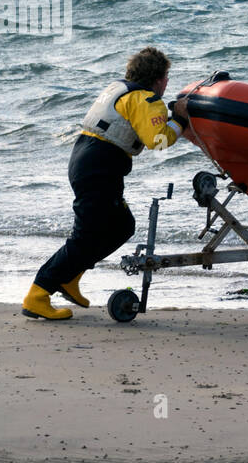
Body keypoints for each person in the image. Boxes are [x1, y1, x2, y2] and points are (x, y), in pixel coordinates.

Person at [22, 47, 190, 320]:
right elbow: (157, 142)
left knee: (121, 226)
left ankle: (70, 277)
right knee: (86, 235)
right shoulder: (146, 99)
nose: (167, 83)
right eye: (167, 77)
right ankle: (38, 294)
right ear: (159, 79)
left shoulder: (121, 90)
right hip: (99, 166)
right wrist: (181, 119)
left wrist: (170, 120)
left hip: (86, 159)